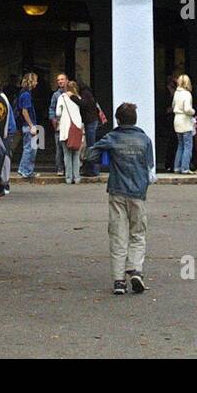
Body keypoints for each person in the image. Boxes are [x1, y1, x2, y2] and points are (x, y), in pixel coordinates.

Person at [86, 102, 155, 295]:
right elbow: (149, 163)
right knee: (138, 233)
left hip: (117, 190)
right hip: (138, 191)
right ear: (135, 119)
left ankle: (118, 280)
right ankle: (135, 269)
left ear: (117, 119)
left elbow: (89, 154)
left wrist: (104, 157)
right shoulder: (144, 139)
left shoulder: (112, 137)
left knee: (117, 234)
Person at [56, 80, 85, 184]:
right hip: (76, 127)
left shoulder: (62, 97)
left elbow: (58, 112)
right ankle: (76, 177)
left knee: (67, 154)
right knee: (76, 155)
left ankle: (68, 178)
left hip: (65, 128)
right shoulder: (79, 98)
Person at [15, 72, 39, 180]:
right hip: (29, 125)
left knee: (31, 147)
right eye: (35, 80)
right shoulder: (26, 95)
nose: (37, 83)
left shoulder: (23, 93)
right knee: (30, 148)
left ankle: (26, 169)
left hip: (27, 125)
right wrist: (31, 125)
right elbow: (25, 111)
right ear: (31, 81)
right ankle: (25, 170)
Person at [171, 74, 196, 174]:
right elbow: (187, 109)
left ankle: (177, 167)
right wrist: (193, 111)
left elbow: (173, 106)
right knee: (188, 146)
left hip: (177, 119)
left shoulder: (176, 93)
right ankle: (185, 168)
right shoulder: (187, 94)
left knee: (180, 145)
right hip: (185, 120)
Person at [48, 72, 70, 176]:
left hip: (70, 124)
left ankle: (69, 168)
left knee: (71, 146)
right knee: (59, 148)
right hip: (59, 124)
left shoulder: (72, 93)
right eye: (58, 80)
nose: (60, 81)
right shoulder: (56, 95)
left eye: (62, 79)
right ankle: (60, 168)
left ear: (67, 81)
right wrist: (53, 119)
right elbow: (52, 108)